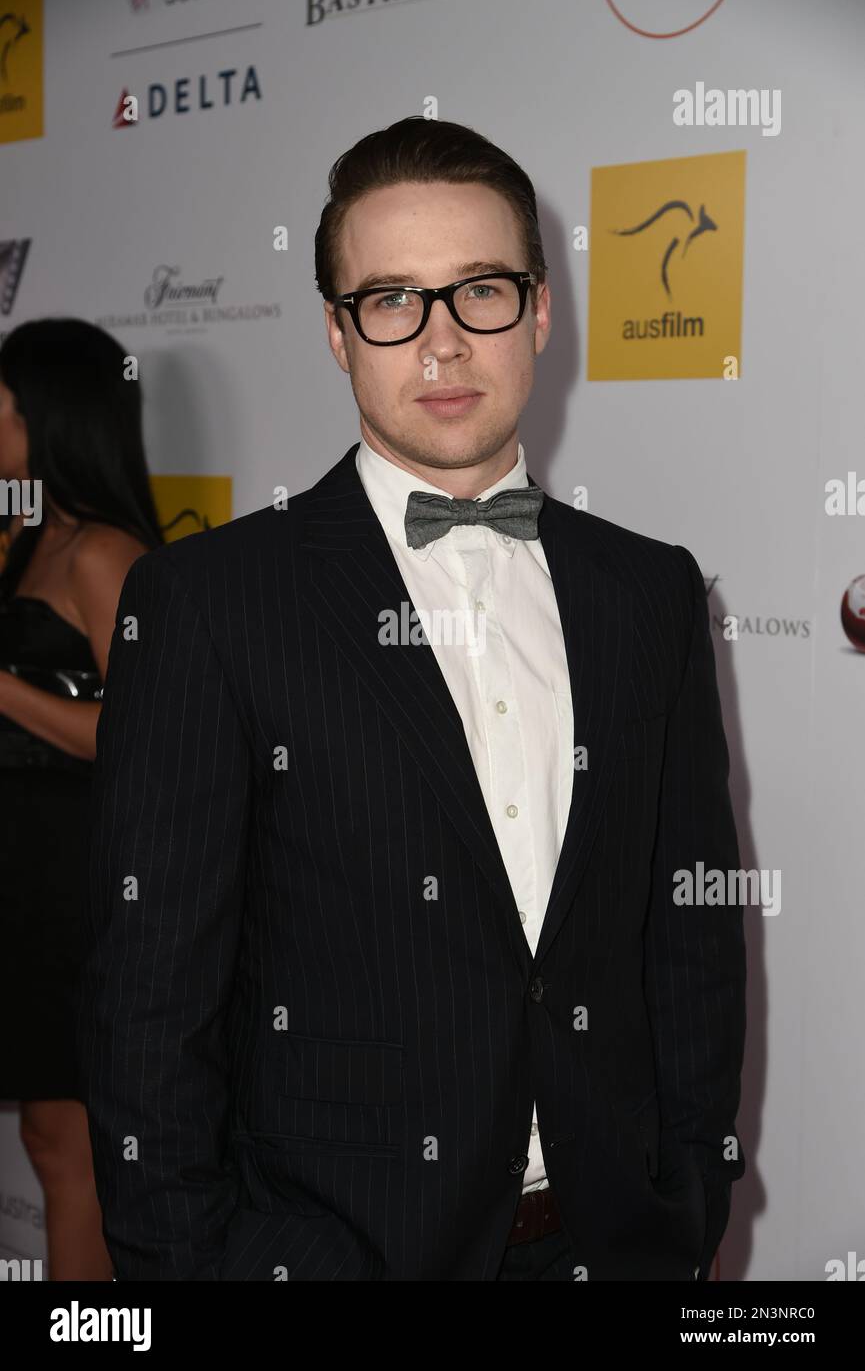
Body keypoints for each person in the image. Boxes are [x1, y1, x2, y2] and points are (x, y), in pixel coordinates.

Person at [79, 116, 746, 1281]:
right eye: (391, 301)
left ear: (541, 311)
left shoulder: (650, 590)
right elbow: (149, 1003)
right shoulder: (206, 602)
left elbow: (686, 932)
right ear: (339, 336)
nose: (440, 344)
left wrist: (688, 1194)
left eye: (478, 290)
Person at [0, 318, 162, 1279]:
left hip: (72, 882)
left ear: (46, 418)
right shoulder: (23, 534)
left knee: (75, 1156)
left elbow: (138, 732)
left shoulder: (106, 552)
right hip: (18, 873)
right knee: (51, 1146)